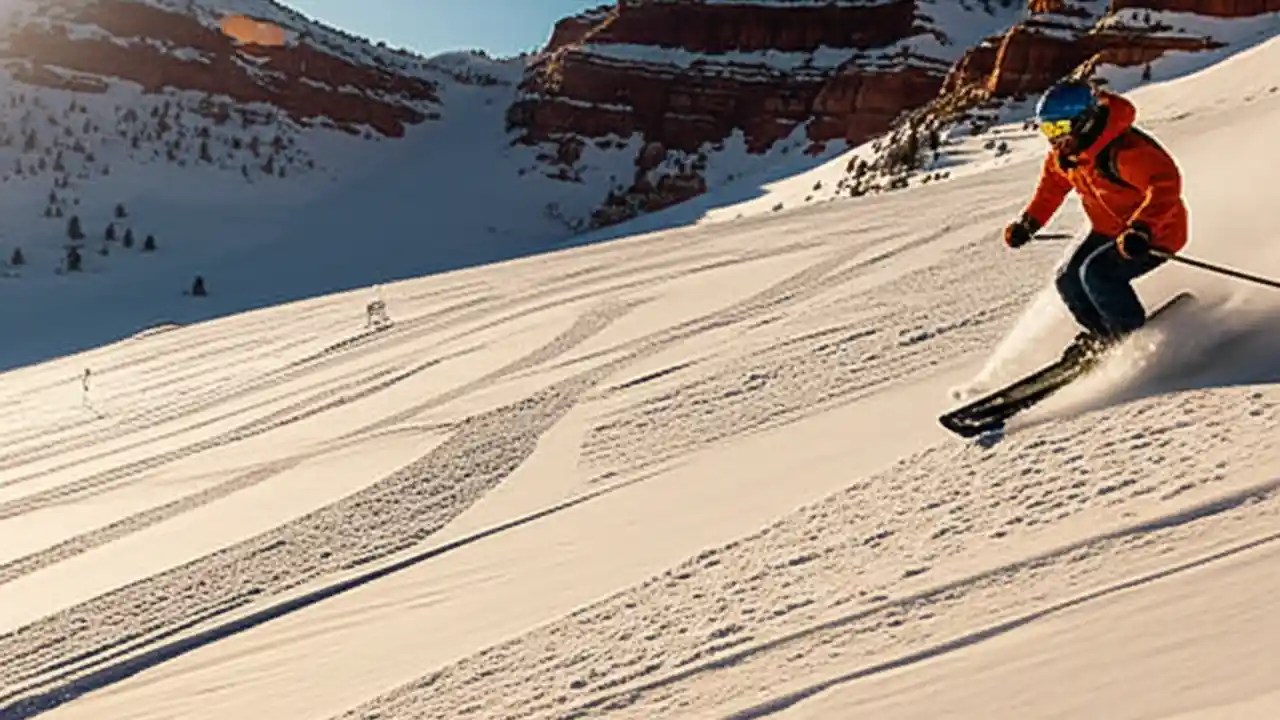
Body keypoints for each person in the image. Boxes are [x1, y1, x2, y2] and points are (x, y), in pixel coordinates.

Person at [1004, 80, 1188, 360]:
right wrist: (1029, 223)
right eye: (1047, 130)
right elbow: (1051, 189)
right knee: (1067, 279)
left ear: (1085, 122)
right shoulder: (1068, 155)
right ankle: (1104, 335)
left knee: (1097, 275)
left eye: (1059, 129)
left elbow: (1165, 185)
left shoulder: (1124, 152)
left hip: (1154, 234)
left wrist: (1142, 228)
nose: (1053, 139)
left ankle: (1130, 339)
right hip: (1109, 231)